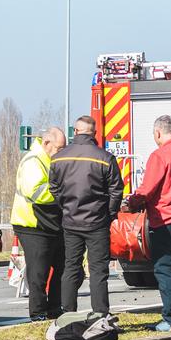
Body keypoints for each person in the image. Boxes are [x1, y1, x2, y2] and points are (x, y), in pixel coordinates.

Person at [126, 114, 171, 332]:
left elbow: (147, 188)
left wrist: (131, 202)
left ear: (158, 132)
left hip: (163, 216)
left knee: (163, 268)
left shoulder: (159, 156)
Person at [50, 115, 123, 319]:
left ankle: (67, 312)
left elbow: (54, 188)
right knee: (98, 269)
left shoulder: (59, 158)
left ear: (75, 132)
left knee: (71, 266)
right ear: (95, 133)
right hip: (97, 222)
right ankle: (100, 312)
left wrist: (65, 207)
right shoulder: (105, 158)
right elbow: (116, 191)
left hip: (70, 221)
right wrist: (109, 214)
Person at [8, 125, 67, 322]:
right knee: (39, 271)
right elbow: (36, 192)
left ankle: (55, 309)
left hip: (50, 224)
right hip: (32, 225)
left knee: (62, 267)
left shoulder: (50, 159)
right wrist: (64, 192)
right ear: (46, 143)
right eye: (59, 148)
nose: (62, 152)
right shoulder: (33, 161)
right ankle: (38, 313)